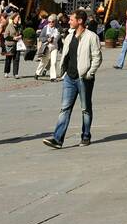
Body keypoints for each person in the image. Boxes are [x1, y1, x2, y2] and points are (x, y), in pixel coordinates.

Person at [43, 10, 102, 149]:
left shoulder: (91, 37)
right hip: (69, 77)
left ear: (80, 21)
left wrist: (90, 73)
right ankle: (57, 139)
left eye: (71, 19)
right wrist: (62, 72)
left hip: (84, 78)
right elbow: (66, 55)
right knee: (65, 108)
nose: (69, 21)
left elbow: (97, 57)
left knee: (85, 109)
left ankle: (86, 136)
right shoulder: (69, 36)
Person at [2, 10, 22, 77]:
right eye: (18, 17)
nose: (19, 19)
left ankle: (15, 73)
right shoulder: (9, 26)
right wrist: (13, 38)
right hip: (10, 45)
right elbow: (5, 36)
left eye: (19, 17)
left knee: (16, 59)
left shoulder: (19, 26)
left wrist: (21, 35)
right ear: (14, 18)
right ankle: (6, 72)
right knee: (8, 59)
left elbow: (22, 33)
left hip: (18, 45)